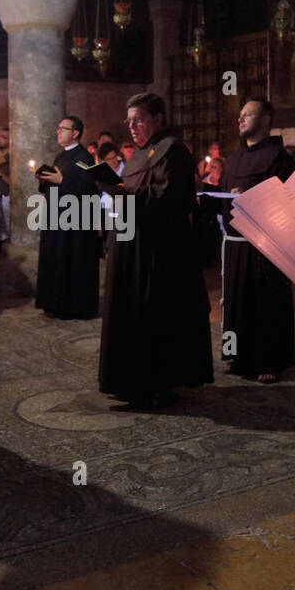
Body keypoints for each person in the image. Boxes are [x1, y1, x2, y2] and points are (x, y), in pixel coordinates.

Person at [99, 92, 212, 409]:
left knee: (152, 314)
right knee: (129, 312)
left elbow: (170, 197)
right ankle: (130, 381)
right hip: (130, 245)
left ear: (158, 118)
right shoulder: (138, 155)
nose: (132, 126)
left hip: (156, 250)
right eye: (129, 121)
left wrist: (127, 193)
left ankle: (155, 385)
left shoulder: (172, 151)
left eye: (139, 120)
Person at [220, 97, 295, 383]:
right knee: (237, 299)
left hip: (265, 244)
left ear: (265, 120)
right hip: (235, 242)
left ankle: (270, 360)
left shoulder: (280, 159)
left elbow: (287, 202)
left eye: (248, 115)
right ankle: (238, 356)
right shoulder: (233, 158)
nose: (240, 119)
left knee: (265, 302)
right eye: (240, 115)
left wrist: (251, 197)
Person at [35, 115, 99, 319]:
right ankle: (54, 303)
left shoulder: (84, 157)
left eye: (63, 128)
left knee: (72, 261)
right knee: (56, 259)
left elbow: (88, 188)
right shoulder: (61, 156)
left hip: (74, 223)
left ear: (75, 133)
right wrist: (45, 180)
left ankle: (72, 306)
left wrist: (62, 180)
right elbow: (57, 182)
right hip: (57, 218)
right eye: (58, 128)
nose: (58, 132)